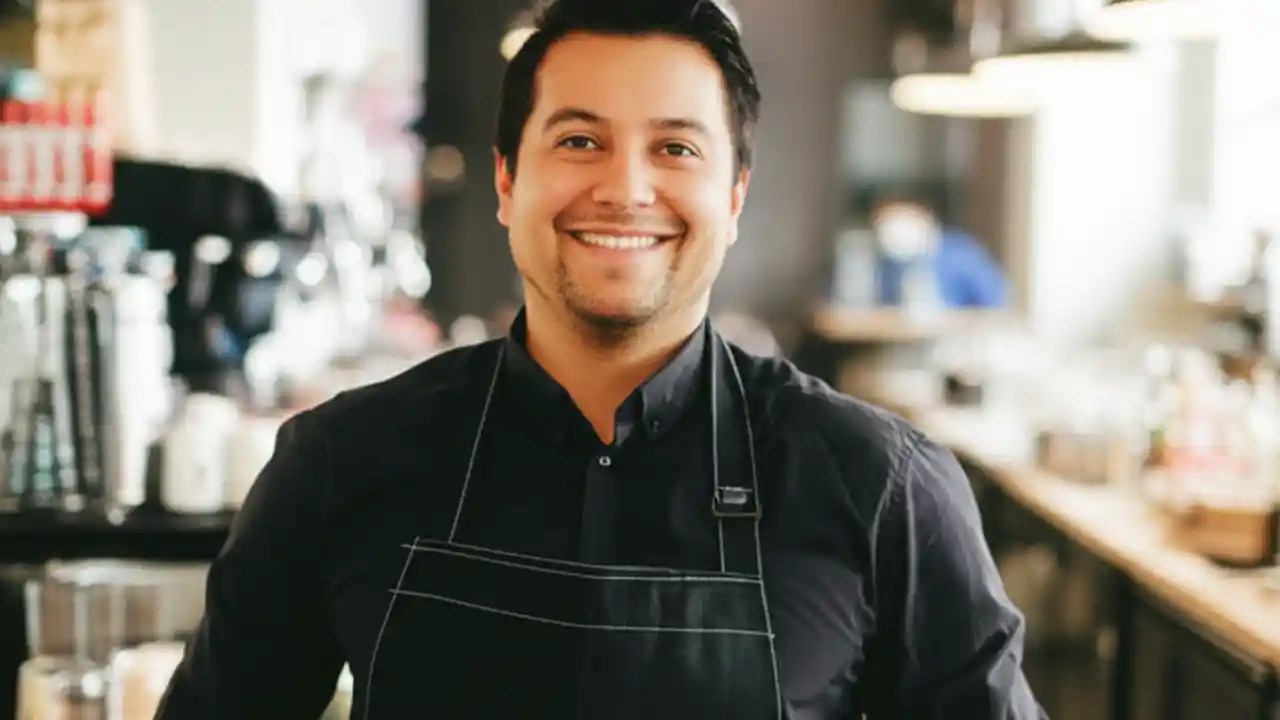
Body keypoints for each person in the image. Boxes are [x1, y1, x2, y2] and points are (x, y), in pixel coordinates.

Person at [158, 1, 1044, 717]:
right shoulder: (337, 462)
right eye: (579, 140)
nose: (625, 188)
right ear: (509, 182)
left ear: (733, 197)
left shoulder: (883, 487)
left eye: (676, 148)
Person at [871, 194, 1010, 309]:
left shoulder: (960, 252)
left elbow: (996, 298)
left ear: (924, 216)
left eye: (901, 219)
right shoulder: (890, 264)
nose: (896, 231)